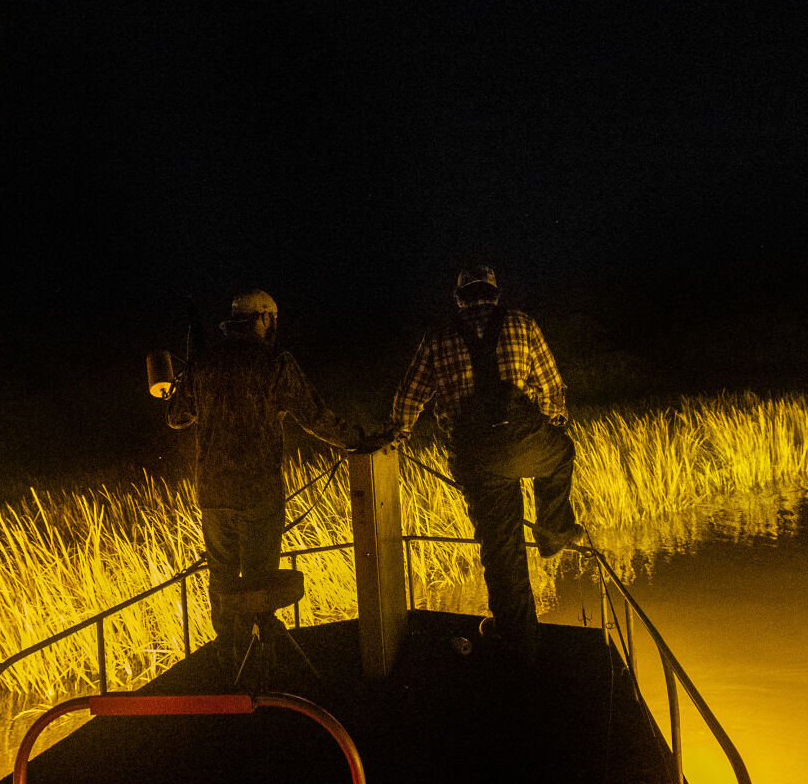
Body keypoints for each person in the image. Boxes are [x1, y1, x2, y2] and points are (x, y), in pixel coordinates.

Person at [387, 264, 584, 660]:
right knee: (561, 453)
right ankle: (552, 529)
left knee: (501, 546)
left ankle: (518, 637)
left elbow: (407, 401)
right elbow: (549, 387)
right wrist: (556, 419)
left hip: (474, 456)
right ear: (494, 293)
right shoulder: (522, 324)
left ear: (460, 299)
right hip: (522, 440)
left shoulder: (437, 339)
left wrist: (397, 435)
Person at [166, 288, 366, 663]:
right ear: (262, 318)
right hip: (258, 493)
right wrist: (357, 439)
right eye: (271, 319)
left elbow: (176, 417)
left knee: (222, 581)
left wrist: (186, 375)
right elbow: (314, 416)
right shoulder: (274, 361)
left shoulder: (204, 361)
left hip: (212, 494)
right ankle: (262, 666)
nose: (273, 326)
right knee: (260, 583)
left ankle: (228, 657)